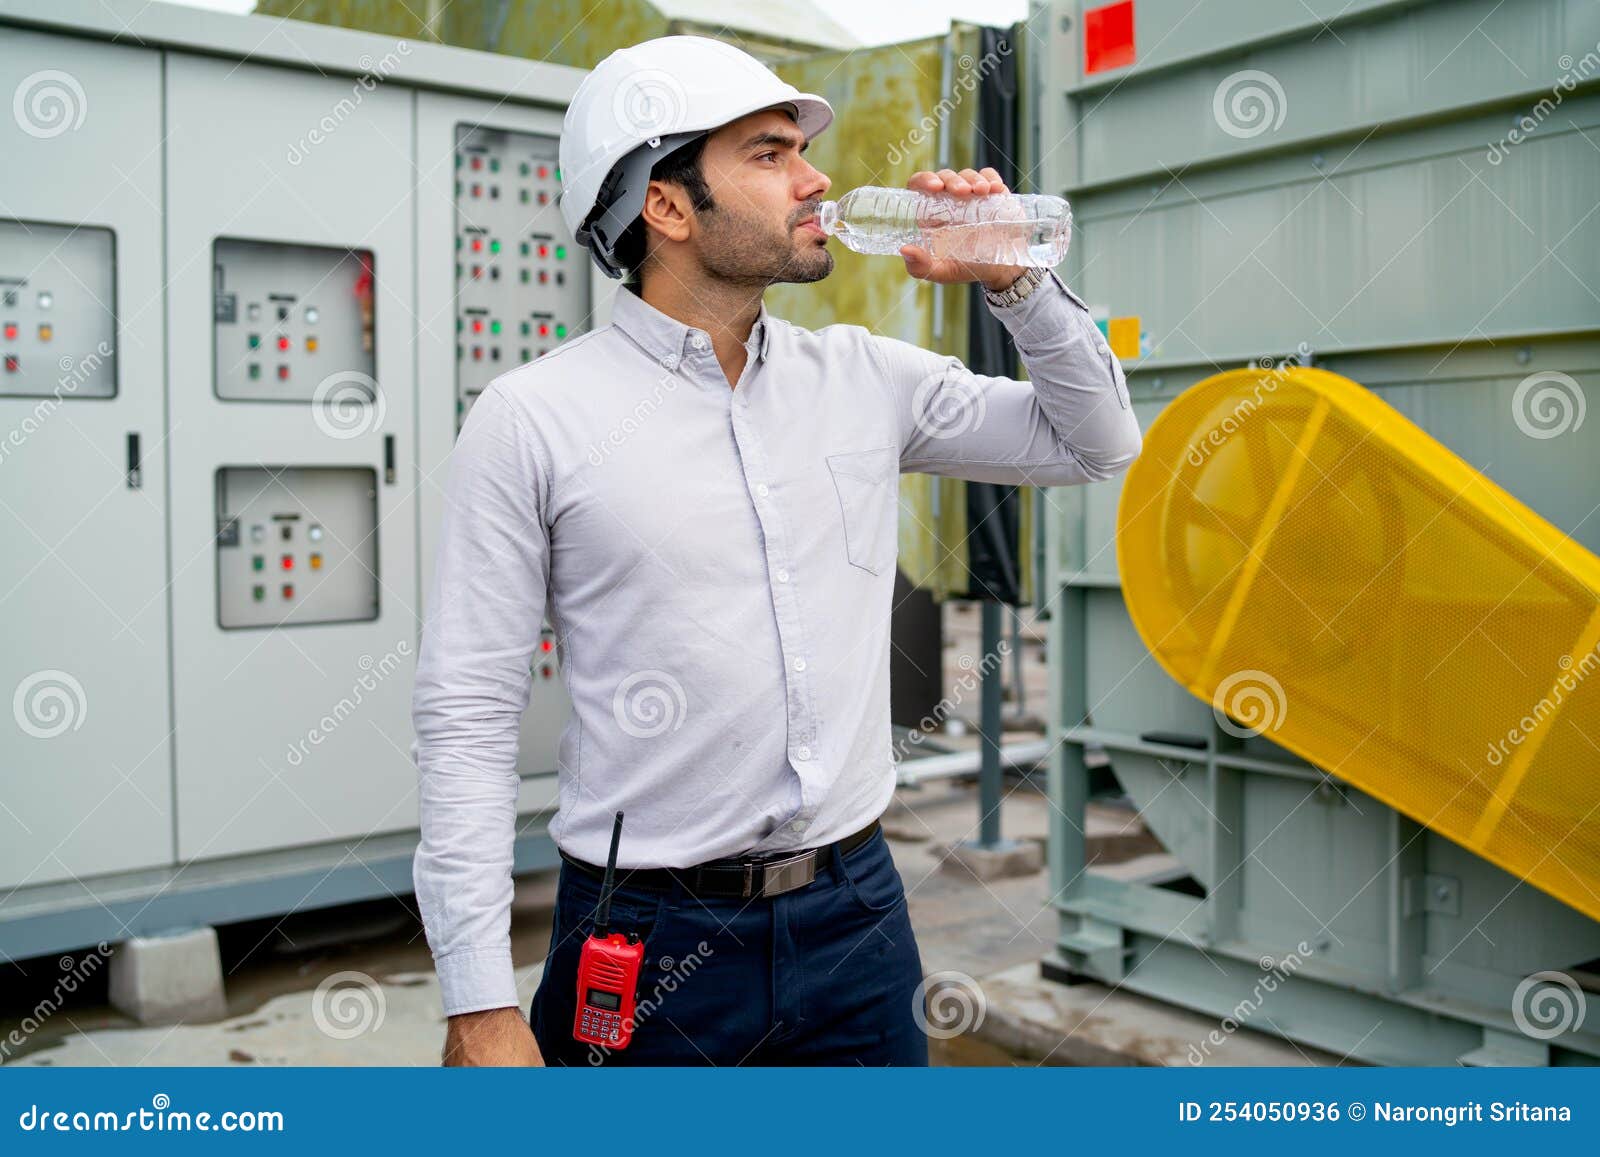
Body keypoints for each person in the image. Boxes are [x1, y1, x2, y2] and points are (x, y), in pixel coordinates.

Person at [411, 34, 1142, 1067]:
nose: (816, 178)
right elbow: (466, 713)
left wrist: (1016, 284)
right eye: (767, 154)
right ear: (666, 206)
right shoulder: (533, 420)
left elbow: (1098, 441)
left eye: (799, 149)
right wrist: (478, 999)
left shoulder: (864, 378)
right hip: (646, 932)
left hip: (856, 915)